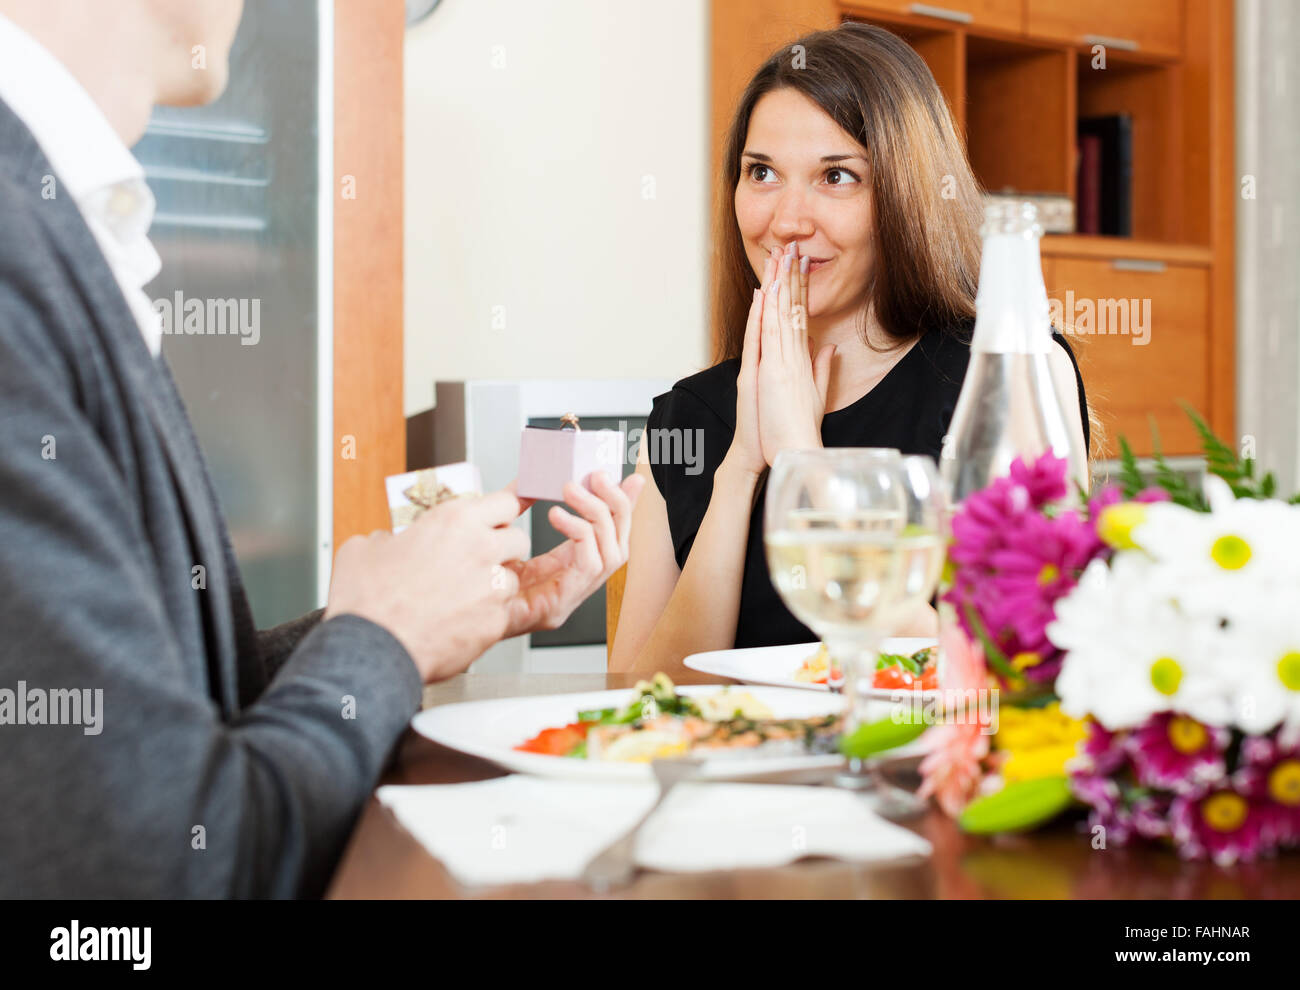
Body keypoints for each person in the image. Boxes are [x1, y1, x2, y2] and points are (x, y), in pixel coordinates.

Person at [0, 0, 643, 898]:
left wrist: (435, 613)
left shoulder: (61, 226)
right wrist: (385, 635)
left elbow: (152, 724)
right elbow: (159, 870)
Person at [609, 23, 1089, 677]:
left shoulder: (1003, 374)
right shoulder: (687, 417)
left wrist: (801, 461)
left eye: (836, 176)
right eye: (763, 173)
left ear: (903, 193)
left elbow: (1015, 674)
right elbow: (646, 703)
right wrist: (742, 467)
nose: (787, 221)